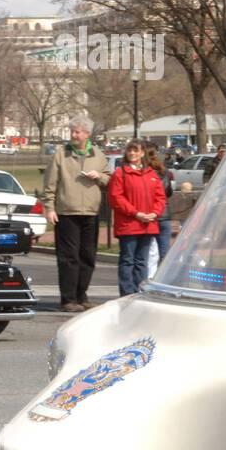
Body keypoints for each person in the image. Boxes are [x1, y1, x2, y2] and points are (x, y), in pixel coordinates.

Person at [42, 115, 110, 312]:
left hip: (90, 212)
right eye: (72, 131)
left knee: (87, 256)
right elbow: (50, 184)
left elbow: (108, 179)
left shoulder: (98, 154)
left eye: (78, 132)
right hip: (67, 212)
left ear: (87, 134)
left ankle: (82, 295)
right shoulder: (61, 154)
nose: (74, 135)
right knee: (68, 258)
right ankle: (68, 299)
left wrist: (101, 177)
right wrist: (50, 208)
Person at [107, 140, 165, 297]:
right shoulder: (121, 173)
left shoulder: (151, 174)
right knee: (128, 259)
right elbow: (116, 198)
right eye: (129, 151)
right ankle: (127, 292)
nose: (132, 153)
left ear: (142, 153)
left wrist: (154, 213)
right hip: (129, 224)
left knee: (141, 260)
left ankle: (140, 291)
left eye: (136, 151)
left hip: (148, 224)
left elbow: (160, 197)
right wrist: (136, 213)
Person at [143, 144, 174, 279]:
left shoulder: (144, 172)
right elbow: (168, 192)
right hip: (164, 214)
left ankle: (147, 278)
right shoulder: (165, 172)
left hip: (147, 214)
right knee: (164, 251)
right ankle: (164, 279)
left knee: (145, 251)